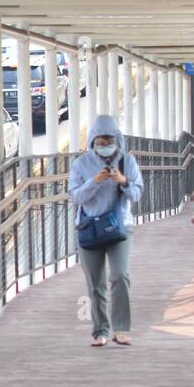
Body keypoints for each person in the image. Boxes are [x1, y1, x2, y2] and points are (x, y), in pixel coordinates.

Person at [68, 114, 144, 347]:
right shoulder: (81, 164)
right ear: (92, 141)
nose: (105, 146)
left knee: (120, 276)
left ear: (117, 140)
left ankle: (121, 328)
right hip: (90, 228)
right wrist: (95, 181)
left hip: (120, 227)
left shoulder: (127, 162)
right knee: (95, 282)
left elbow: (138, 193)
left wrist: (123, 180)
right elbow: (75, 196)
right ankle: (100, 331)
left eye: (109, 141)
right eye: (100, 142)